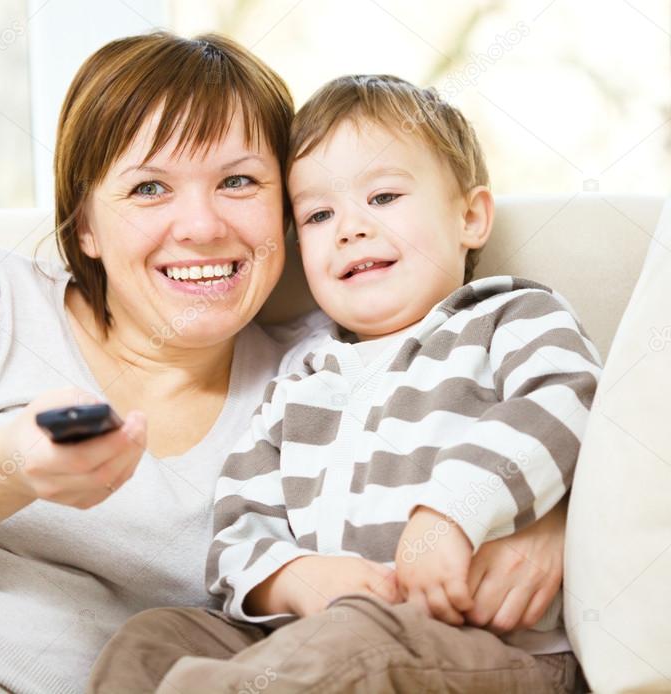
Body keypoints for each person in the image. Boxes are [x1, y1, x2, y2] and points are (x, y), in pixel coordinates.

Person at [0, 40, 569, 694]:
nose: (202, 225)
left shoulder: (317, 384)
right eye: (148, 188)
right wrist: (1, 472)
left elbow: (533, 412)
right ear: (85, 224)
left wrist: (551, 522)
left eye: (239, 181)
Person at [88, 75, 600, 693]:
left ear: (469, 216)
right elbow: (239, 525)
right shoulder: (298, 378)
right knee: (157, 638)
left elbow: (566, 400)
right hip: (309, 637)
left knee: (353, 643)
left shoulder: (508, 318)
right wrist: (298, 577)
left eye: (383, 197)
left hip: (486, 648)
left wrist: (452, 511)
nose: (349, 228)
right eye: (319, 214)